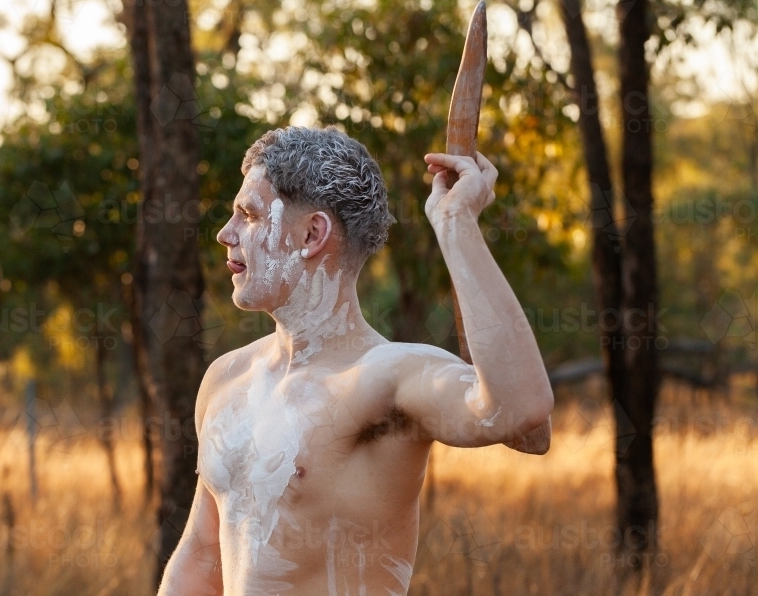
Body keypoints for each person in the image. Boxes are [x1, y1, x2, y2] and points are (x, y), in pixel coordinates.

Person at [157, 126, 554, 595]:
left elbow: (520, 410)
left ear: (312, 233)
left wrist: (456, 224)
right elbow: (204, 555)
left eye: (248, 214)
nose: (226, 234)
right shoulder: (226, 377)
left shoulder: (387, 378)